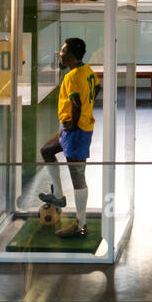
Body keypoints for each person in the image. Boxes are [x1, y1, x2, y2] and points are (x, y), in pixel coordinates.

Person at [37, 37, 100, 238]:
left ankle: (81, 225)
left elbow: (76, 103)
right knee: (47, 150)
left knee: (78, 178)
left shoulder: (72, 76)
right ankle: (58, 197)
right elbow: (97, 87)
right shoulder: (87, 70)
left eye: (62, 52)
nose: (60, 55)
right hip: (71, 130)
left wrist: (73, 122)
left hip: (76, 132)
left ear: (70, 56)